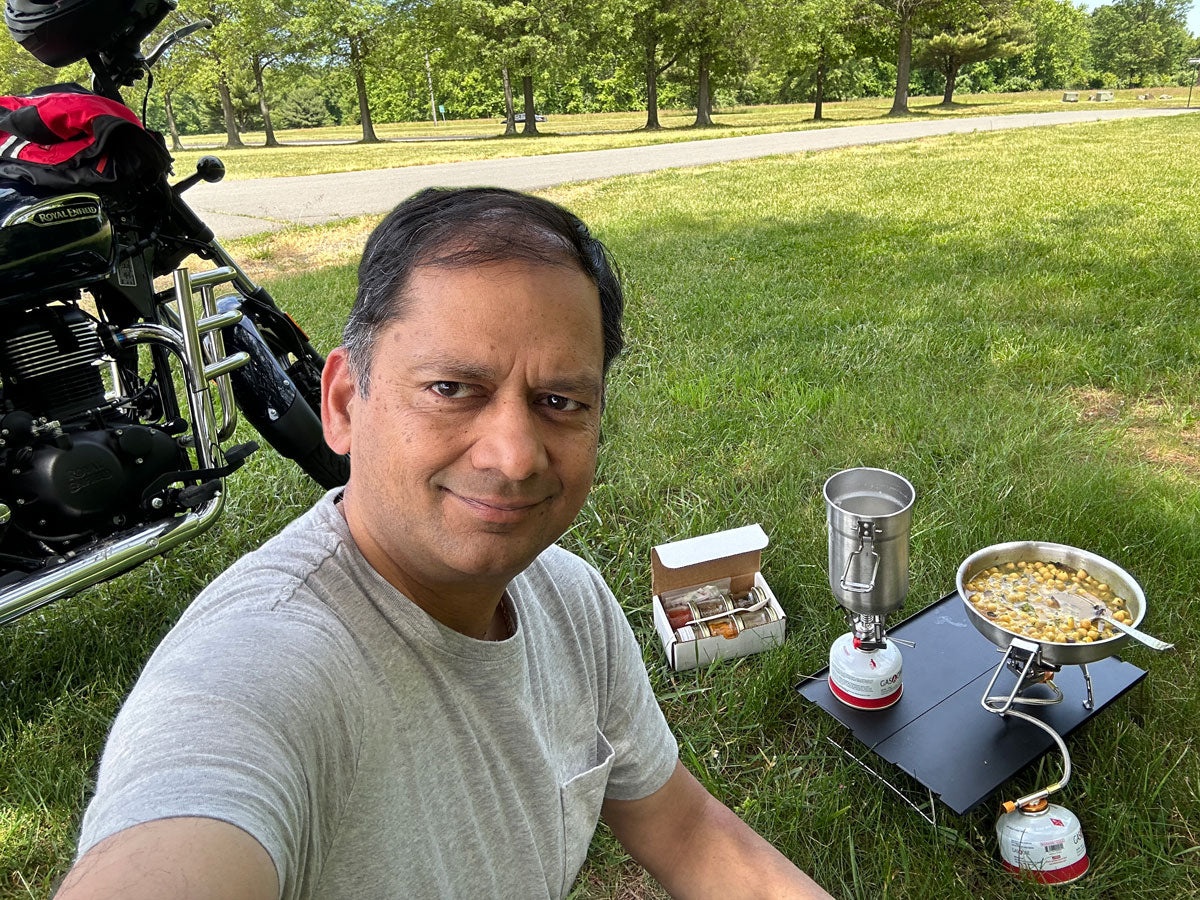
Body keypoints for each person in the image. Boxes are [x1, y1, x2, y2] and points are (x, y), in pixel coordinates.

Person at [56, 187, 834, 900]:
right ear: (344, 404)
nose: (515, 455)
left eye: (559, 401)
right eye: (452, 389)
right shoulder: (261, 669)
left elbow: (688, 832)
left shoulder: (569, 598)